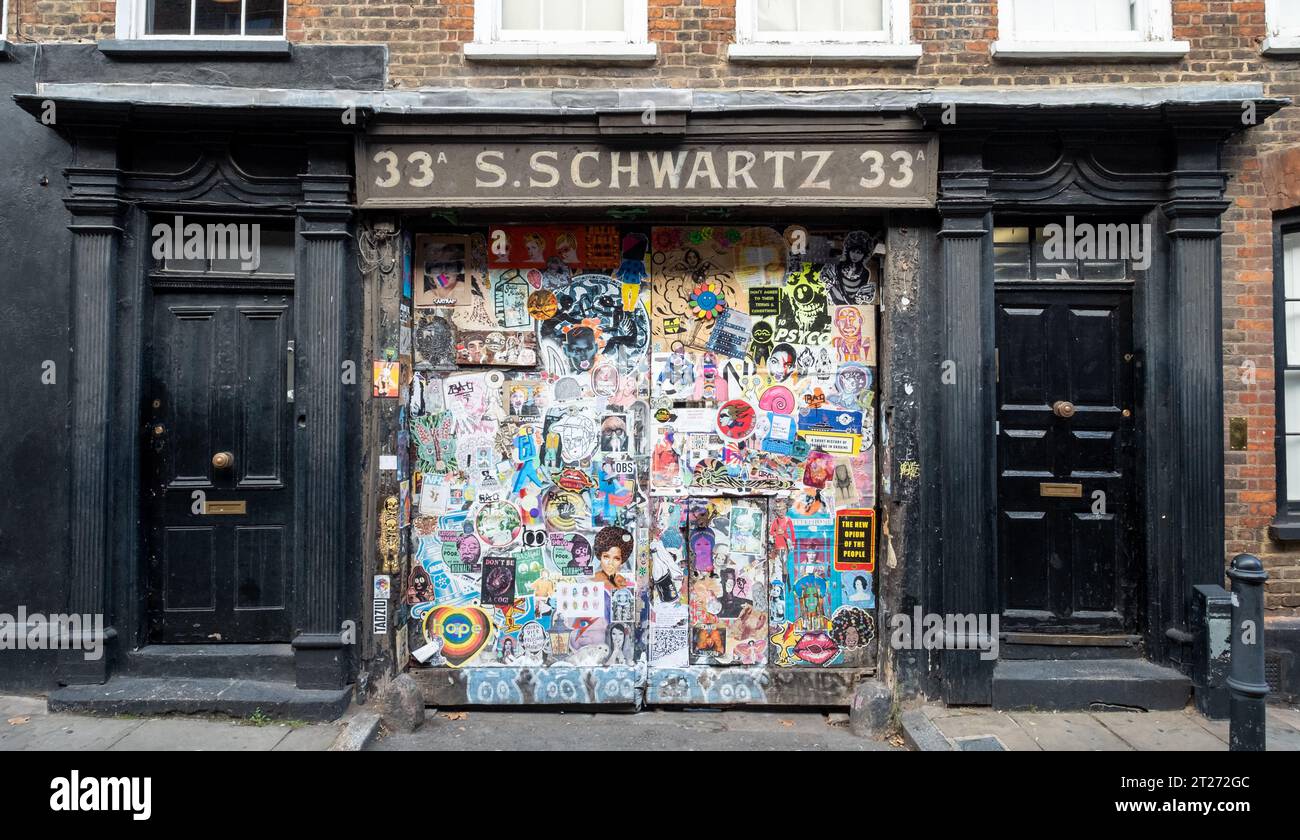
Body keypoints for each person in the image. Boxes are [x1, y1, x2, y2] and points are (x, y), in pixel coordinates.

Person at [593, 526, 634, 591]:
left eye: (616, 558)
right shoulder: (591, 581)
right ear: (600, 556)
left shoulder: (629, 585)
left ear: (622, 560)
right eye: (606, 557)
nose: (610, 563)